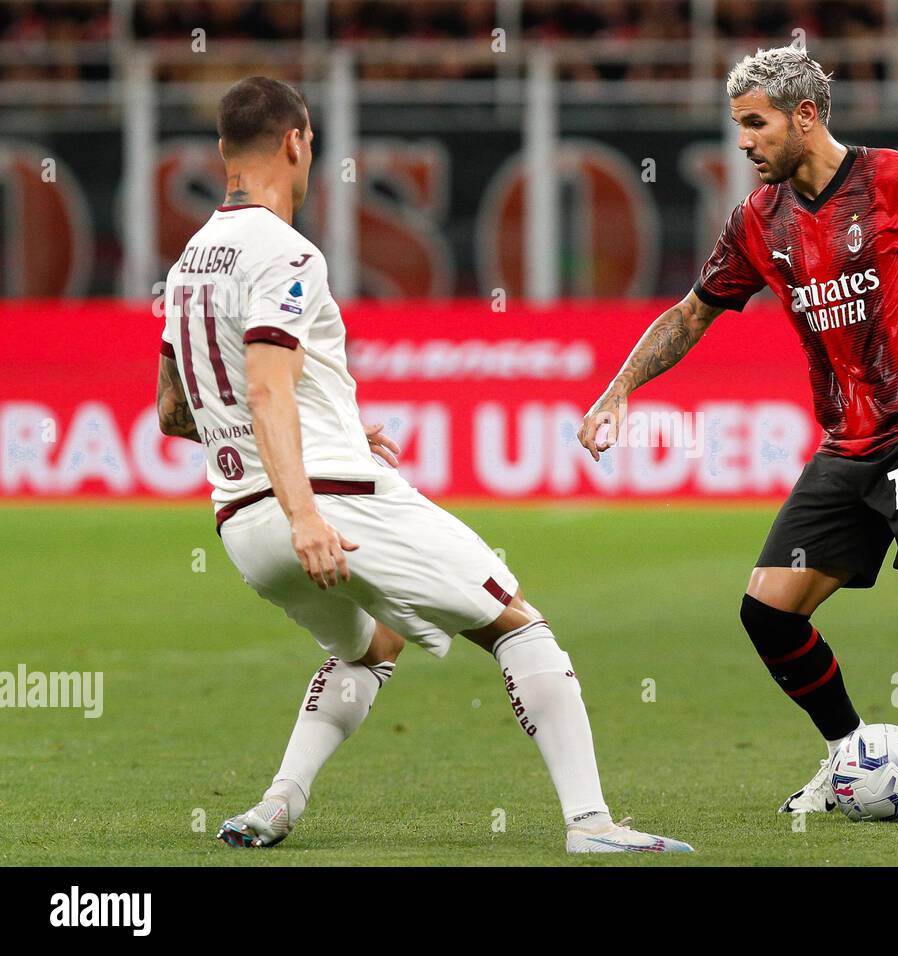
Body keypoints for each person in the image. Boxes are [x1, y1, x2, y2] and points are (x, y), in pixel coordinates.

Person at [157, 76, 691, 853]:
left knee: (374, 644)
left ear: (220, 153)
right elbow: (269, 390)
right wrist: (308, 509)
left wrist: (332, 426)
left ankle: (276, 805)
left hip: (243, 526)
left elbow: (178, 411)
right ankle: (592, 824)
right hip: (330, 509)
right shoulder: (287, 252)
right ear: (297, 142)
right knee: (515, 622)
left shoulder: (186, 266)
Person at [578, 46, 898, 824]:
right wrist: (618, 391)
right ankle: (847, 752)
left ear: (805, 116)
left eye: (755, 123)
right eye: (738, 125)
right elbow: (691, 313)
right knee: (767, 612)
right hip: (848, 445)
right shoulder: (756, 222)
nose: (743, 141)